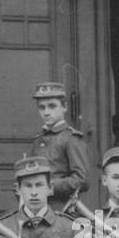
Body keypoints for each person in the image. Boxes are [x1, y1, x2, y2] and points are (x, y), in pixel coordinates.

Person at [27, 80, 90, 211]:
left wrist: (49, 187)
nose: (46, 112)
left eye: (52, 106)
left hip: (62, 208)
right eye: (42, 107)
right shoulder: (38, 140)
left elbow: (82, 179)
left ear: (64, 107)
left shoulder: (71, 138)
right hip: (37, 207)